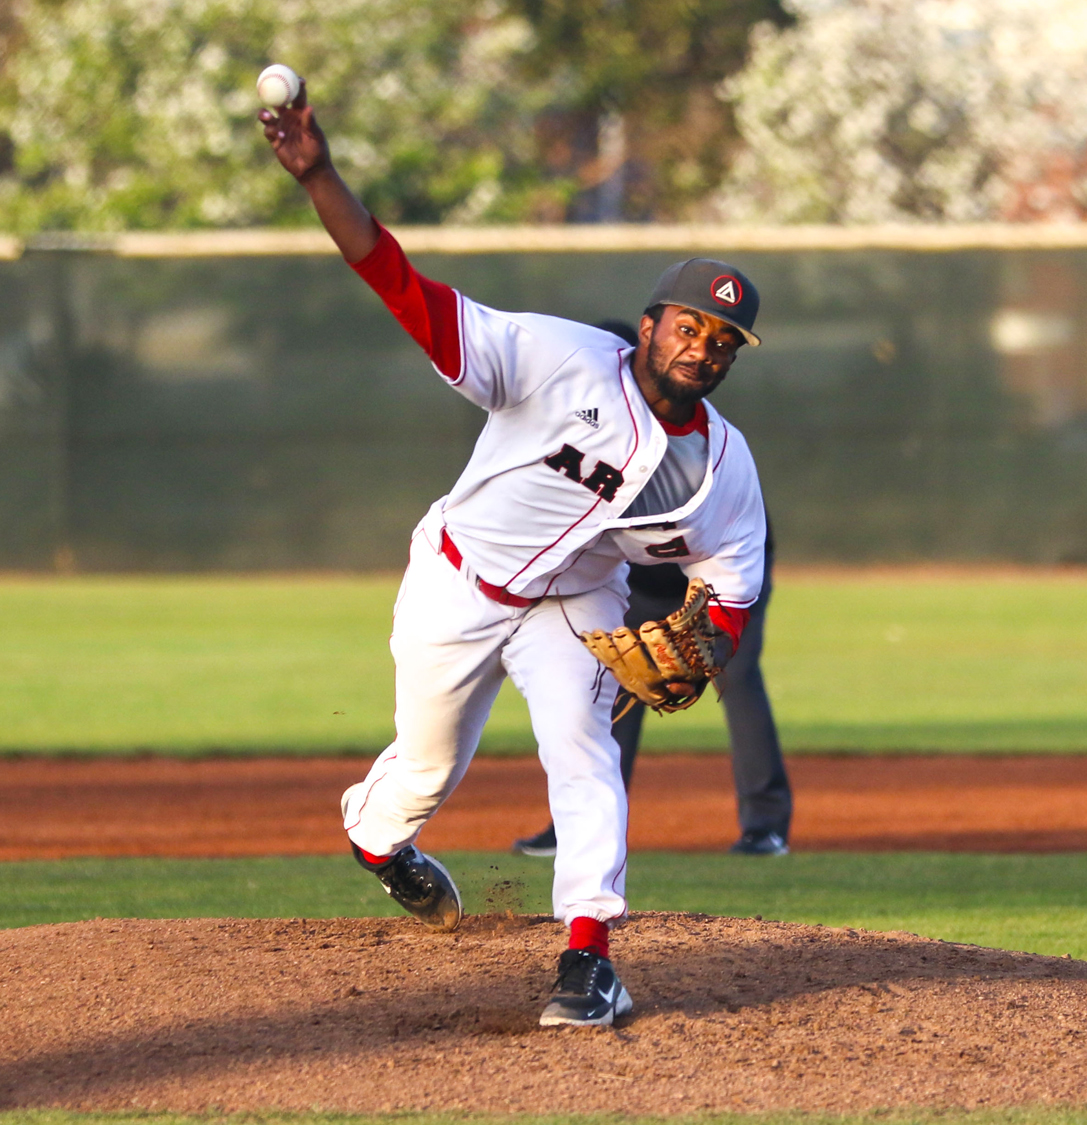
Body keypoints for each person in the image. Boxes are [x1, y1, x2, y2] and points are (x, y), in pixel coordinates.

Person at [260, 84, 770, 1028]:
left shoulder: (723, 467)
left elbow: (734, 581)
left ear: (732, 358)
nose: (702, 346)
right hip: (457, 579)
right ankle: (379, 844)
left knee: (584, 753)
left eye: (722, 340)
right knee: (427, 768)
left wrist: (709, 647)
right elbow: (401, 286)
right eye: (689, 324)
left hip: (573, 604)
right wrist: (320, 176)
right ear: (650, 324)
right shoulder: (554, 356)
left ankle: (589, 956)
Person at [513, 322, 791, 859]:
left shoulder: (688, 430)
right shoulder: (584, 424)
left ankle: (766, 825)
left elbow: (733, 544)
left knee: (735, 678)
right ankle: (580, 822)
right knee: (613, 691)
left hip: (720, 580)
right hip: (635, 581)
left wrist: (717, 626)